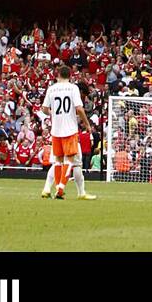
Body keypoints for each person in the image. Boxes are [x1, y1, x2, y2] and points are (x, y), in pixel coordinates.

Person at [39, 64, 96, 201]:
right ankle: (61, 188)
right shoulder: (73, 88)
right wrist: (87, 125)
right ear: (70, 76)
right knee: (71, 160)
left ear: (57, 75)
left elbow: (44, 108)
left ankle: (54, 186)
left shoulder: (51, 89)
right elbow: (80, 109)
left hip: (56, 130)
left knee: (58, 160)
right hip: (70, 129)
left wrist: (52, 113)